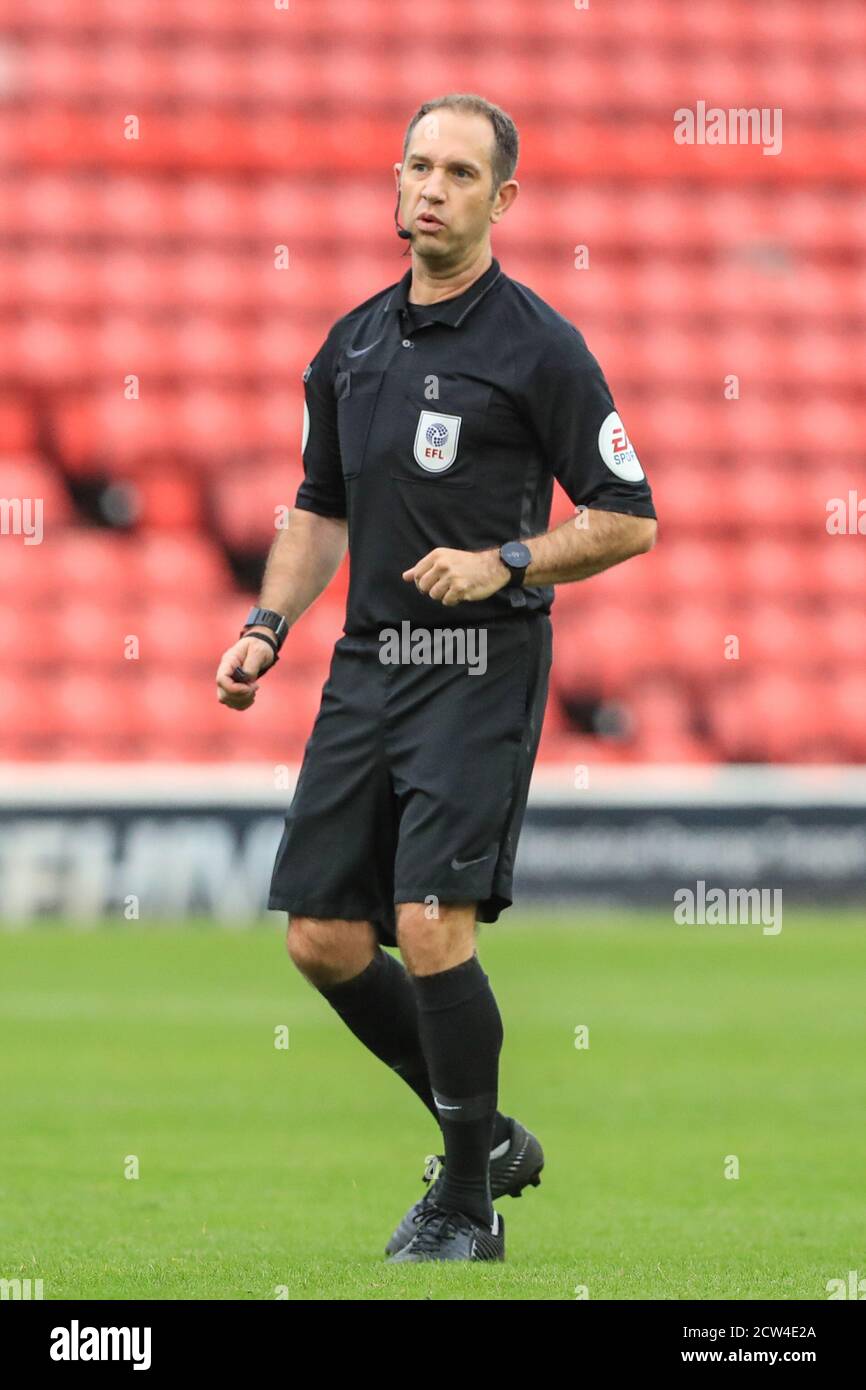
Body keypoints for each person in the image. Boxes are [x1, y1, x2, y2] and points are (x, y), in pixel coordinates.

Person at [216, 93, 658, 1263]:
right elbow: (320, 511)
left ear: (501, 200)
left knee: (429, 922)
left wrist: (506, 557)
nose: (430, 188)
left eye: (460, 173)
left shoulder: (540, 348)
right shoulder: (350, 344)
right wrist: (266, 625)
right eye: (417, 166)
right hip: (365, 670)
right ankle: (487, 1137)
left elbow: (627, 519)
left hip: (478, 667)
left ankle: (466, 1205)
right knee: (319, 937)